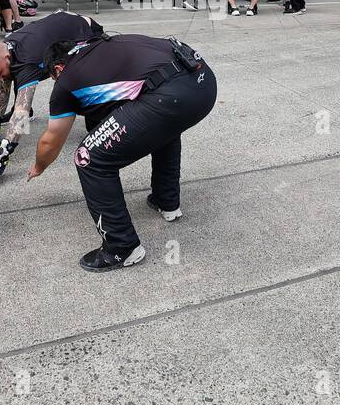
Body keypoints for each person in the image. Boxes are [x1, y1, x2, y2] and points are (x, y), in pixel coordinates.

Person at [27, 34, 217, 272]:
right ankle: (166, 201)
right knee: (163, 122)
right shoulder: (101, 46)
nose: (56, 82)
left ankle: (122, 247)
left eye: (53, 77)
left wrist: (39, 166)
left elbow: (51, 140)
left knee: (88, 157)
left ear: (58, 68)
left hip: (172, 96)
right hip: (203, 81)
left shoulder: (66, 81)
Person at [0, 11, 105, 186]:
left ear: (7, 57)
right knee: (8, 78)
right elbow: (2, 88)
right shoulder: (7, 48)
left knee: (83, 89)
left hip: (86, 32)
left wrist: (1, 159)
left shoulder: (26, 61)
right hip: (63, 23)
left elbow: (21, 115)